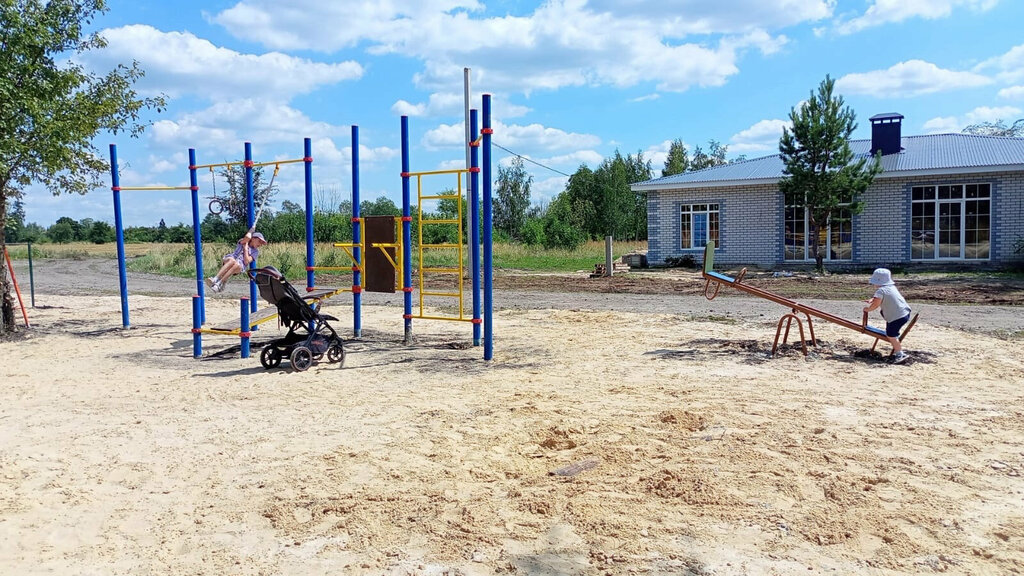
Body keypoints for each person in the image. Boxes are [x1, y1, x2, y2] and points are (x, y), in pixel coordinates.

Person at [863, 268, 911, 364]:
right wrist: (873, 299)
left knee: (890, 335)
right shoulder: (891, 287)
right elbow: (883, 297)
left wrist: (867, 309)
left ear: (878, 281)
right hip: (904, 312)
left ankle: (900, 354)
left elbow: (876, 305)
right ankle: (896, 339)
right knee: (892, 331)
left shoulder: (880, 291)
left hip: (897, 316)